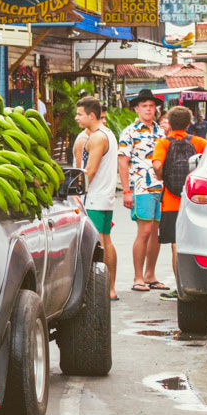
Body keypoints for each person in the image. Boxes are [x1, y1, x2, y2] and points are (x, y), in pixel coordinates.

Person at [152, 106, 207, 300]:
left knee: (176, 245)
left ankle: (180, 288)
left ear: (170, 122)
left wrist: (162, 177)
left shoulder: (163, 143)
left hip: (171, 201)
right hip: (194, 200)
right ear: (189, 123)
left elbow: (157, 165)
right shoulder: (200, 142)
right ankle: (201, 285)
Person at [118, 89, 168, 293]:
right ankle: (138, 276)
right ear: (137, 108)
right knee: (144, 231)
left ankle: (150, 274)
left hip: (162, 188)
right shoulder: (130, 132)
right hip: (141, 186)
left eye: (151, 106)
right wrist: (126, 191)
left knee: (156, 233)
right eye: (144, 106)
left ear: (156, 108)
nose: (148, 109)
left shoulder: (161, 132)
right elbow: (123, 162)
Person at [72, 96, 119, 301]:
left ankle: (105, 289)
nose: (76, 118)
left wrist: (74, 191)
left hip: (95, 198)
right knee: (105, 240)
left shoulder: (97, 137)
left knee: (99, 243)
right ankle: (109, 288)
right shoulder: (106, 134)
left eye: (80, 114)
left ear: (92, 115)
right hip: (104, 196)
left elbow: (89, 171)